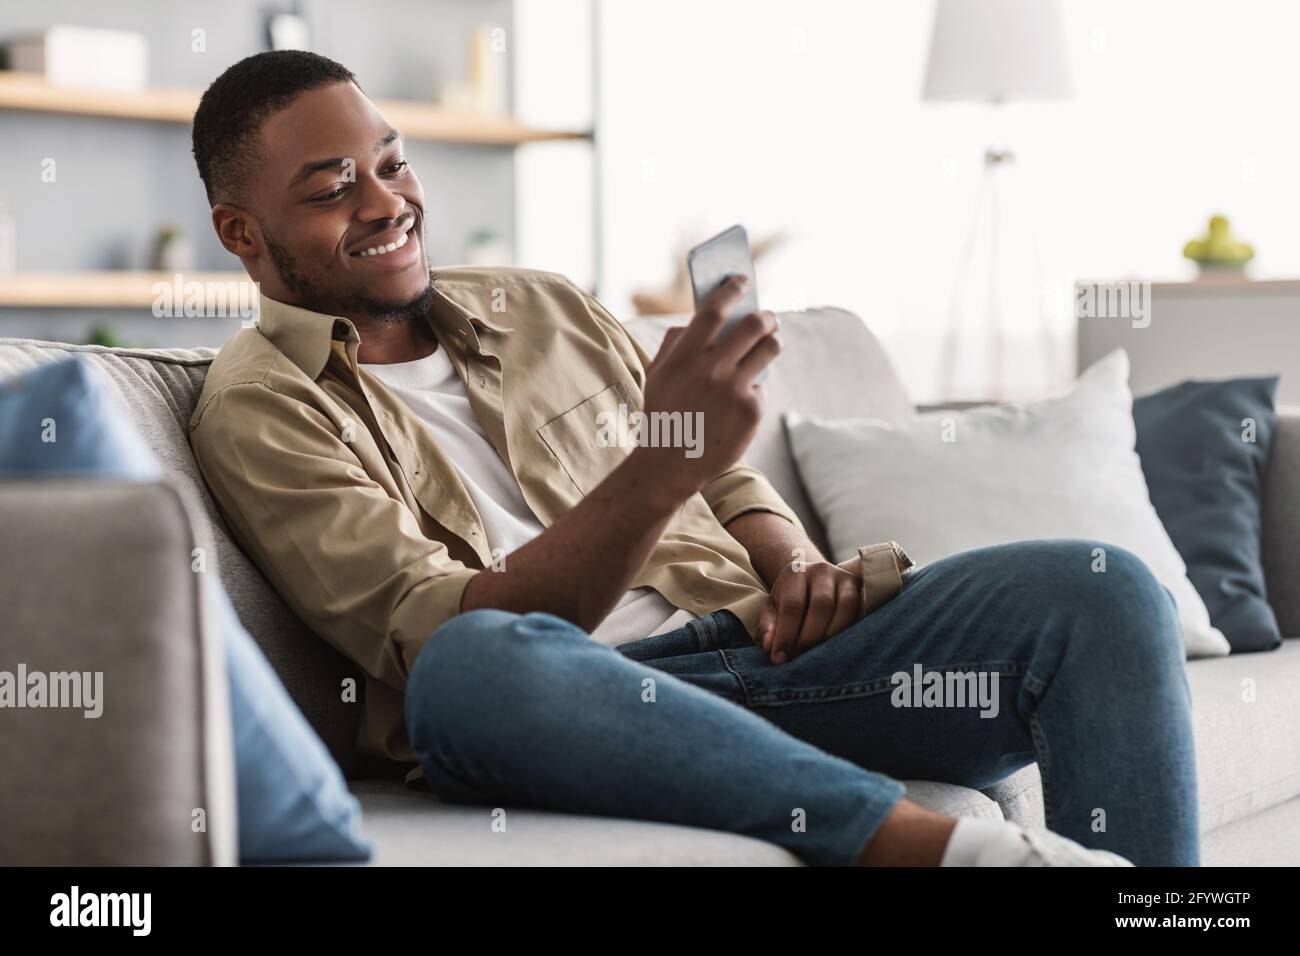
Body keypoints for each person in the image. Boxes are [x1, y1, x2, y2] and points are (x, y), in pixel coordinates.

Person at [187, 51, 1199, 866]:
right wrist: (662, 462)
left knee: (1101, 591)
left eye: (392, 162)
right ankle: (933, 849)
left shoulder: (543, 305)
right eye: (331, 189)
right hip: (573, 709)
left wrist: (792, 559)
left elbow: (720, 470)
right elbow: (442, 630)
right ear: (242, 231)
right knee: (471, 663)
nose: (385, 202)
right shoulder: (260, 407)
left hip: (770, 658)